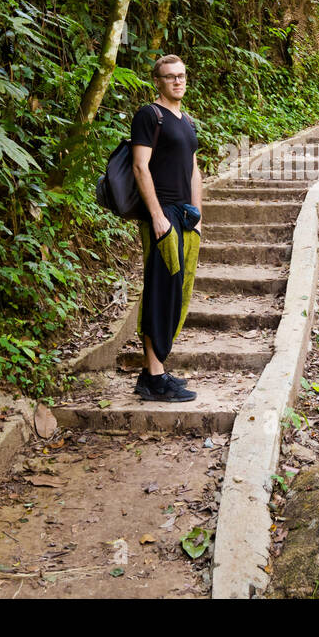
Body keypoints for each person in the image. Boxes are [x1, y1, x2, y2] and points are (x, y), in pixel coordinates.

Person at [130, 54, 202, 401]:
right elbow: (140, 167)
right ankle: (153, 377)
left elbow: (194, 170)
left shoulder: (186, 121)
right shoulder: (149, 115)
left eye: (182, 76)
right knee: (160, 288)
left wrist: (198, 215)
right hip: (161, 215)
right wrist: (157, 216)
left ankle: (155, 370)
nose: (177, 81)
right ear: (157, 81)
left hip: (184, 216)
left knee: (176, 290)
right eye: (170, 77)